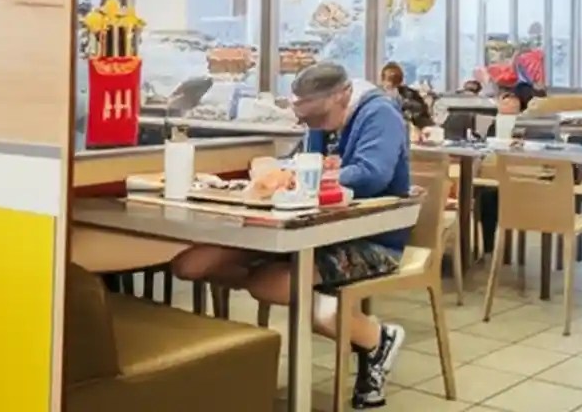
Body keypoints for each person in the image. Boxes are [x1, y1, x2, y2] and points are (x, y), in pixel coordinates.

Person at [172, 62, 411, 409]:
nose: (312, 126)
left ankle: (377, 338)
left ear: (343, 95)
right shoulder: (320, 123)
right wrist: (275, 171)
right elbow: (302, 160)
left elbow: (372, 175)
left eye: (318, 117)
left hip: (370, 235)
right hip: (305, 226)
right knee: (192, 264)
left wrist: (314, 174)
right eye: (305, 118)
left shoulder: (379, 114)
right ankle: (282, 315)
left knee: (274, 283)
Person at [380, 61, 435, 130]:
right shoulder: (377, 97)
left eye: (395, 78)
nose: (391, 84)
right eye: (389, 79)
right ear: (383, 80)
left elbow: (423, 115)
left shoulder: (410, 94)